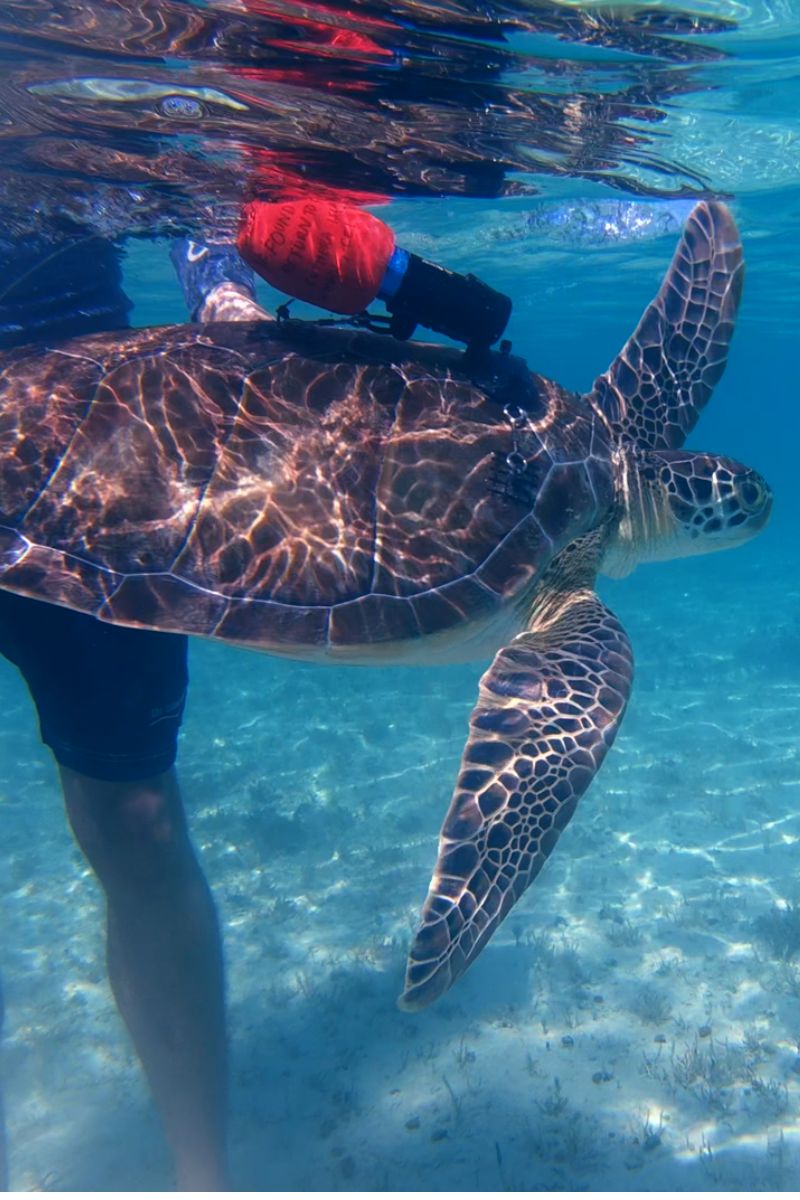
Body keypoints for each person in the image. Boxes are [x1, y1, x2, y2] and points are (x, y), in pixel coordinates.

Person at [0, 225, 260, 1191]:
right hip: (86, 433)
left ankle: (202, 1179)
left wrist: (220, 282)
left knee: (138, 818)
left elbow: (180, 176)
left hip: (89, 438)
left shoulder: (88, 78)